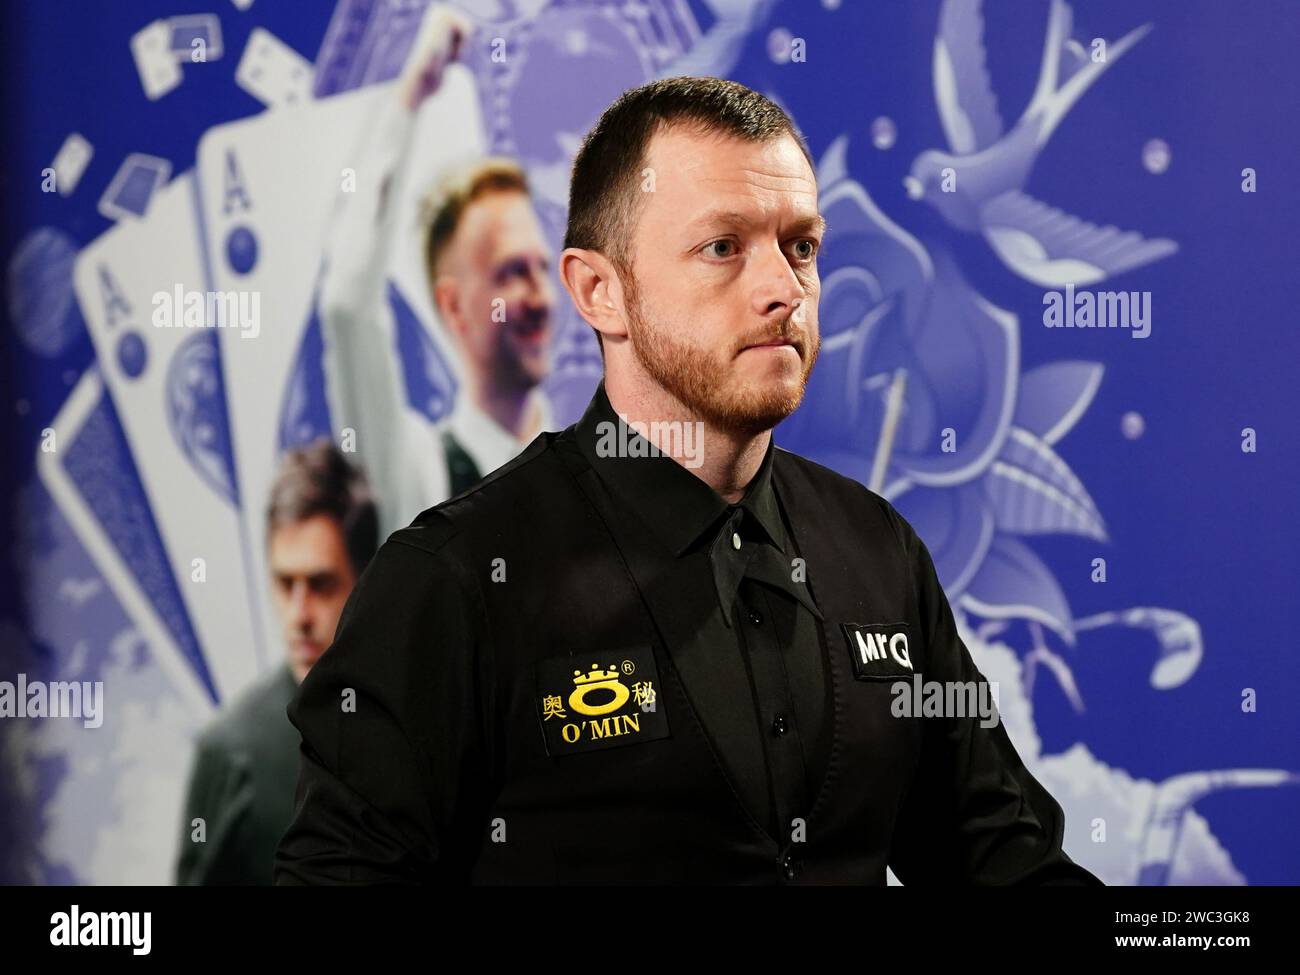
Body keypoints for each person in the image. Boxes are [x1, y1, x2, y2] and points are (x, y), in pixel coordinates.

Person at [276, 76, 1101, 885]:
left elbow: (1007, 861)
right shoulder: (453, 580)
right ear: (600, 292)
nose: (784, 289)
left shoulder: (879, 552)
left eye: (801, 246)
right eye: (722, 247)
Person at [318, 3, 555, 541]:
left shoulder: (597, 476)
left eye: (541, 268)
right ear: (452, 306)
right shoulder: (419, 482)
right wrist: (411, 96)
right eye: (511, 273)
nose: (539, 296)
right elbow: (347, 308)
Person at [175, 441, 377, 885]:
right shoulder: (231, 756)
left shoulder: (437, 731)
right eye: (285, 584)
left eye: (321, 584)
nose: (299, 615)